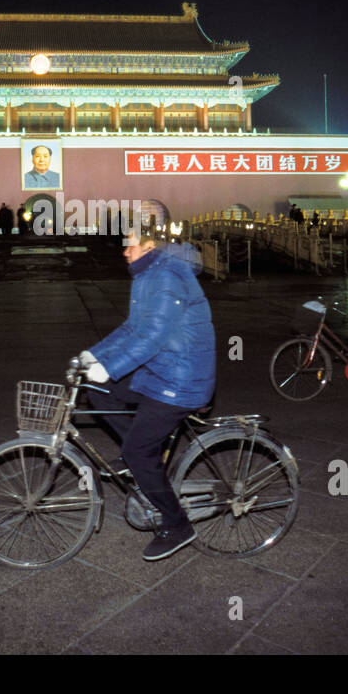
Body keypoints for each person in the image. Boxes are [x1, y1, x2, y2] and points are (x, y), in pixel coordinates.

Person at [78, 230, 216, 560]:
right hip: (164, 369)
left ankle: (177, 524)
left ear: (151, 245)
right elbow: (132, 328)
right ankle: (137, 454)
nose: (125, 252)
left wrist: (110, 367)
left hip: (182, 379)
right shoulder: (148, 274)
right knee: (97, 389)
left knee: (139, 450)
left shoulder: (167, 274)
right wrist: (94, 355)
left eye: (130, 244)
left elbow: (153, 337)